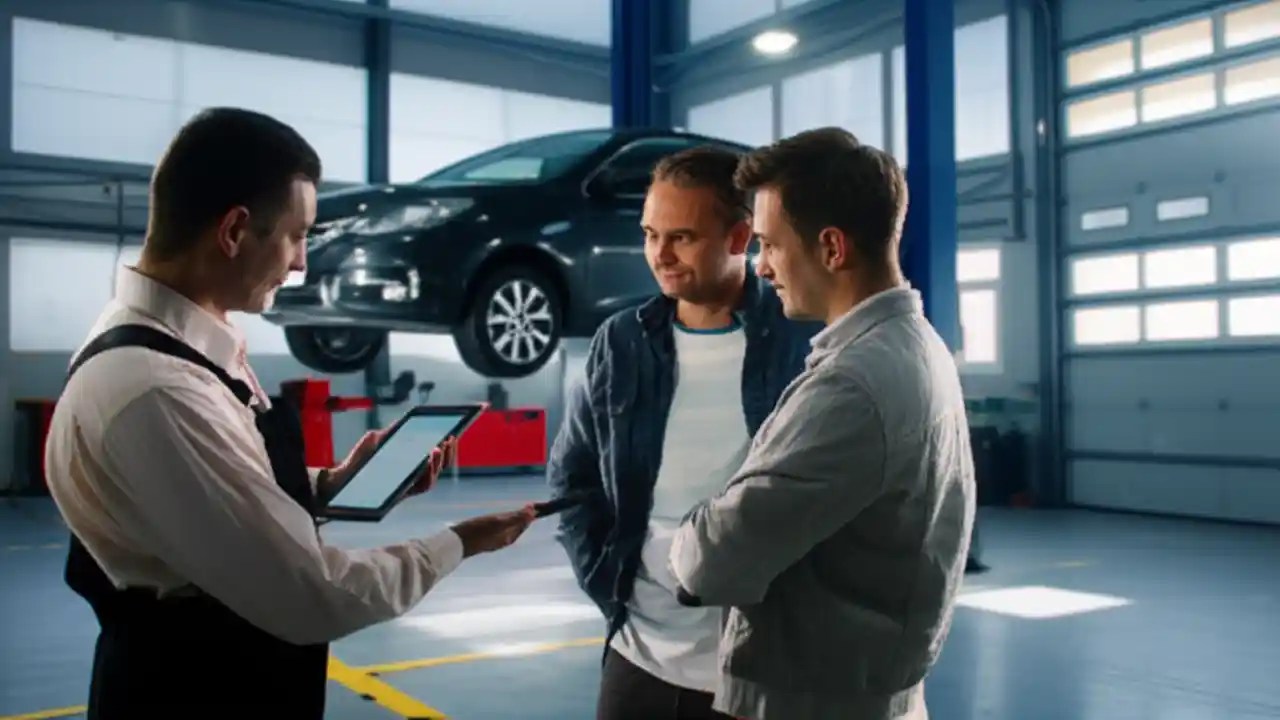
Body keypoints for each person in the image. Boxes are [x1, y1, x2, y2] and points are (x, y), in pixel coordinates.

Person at [43, 107, 537, 720]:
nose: (301, 261)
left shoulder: (168, 343)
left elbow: (207, 496)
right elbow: (312, 594)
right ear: (234, 231)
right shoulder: (158, 388)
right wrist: (459, 543)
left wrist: (328, 487)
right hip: (195, 693)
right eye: (298, 235)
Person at [668, 127, 976, 720]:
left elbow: (712, 561)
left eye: (769, 245)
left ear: (832, 248)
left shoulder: (852, 386)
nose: (759, 268)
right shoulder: (917, 347)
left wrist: (692, 528)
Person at [546, 145, 818, 720]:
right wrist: (606, 583)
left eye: (682, 238)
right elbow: (573, 477)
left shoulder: (802, 341)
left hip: (763, 661)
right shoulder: (619, 343)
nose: (659, 255)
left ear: (740, 238)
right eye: (650, 234)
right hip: (639, 655)